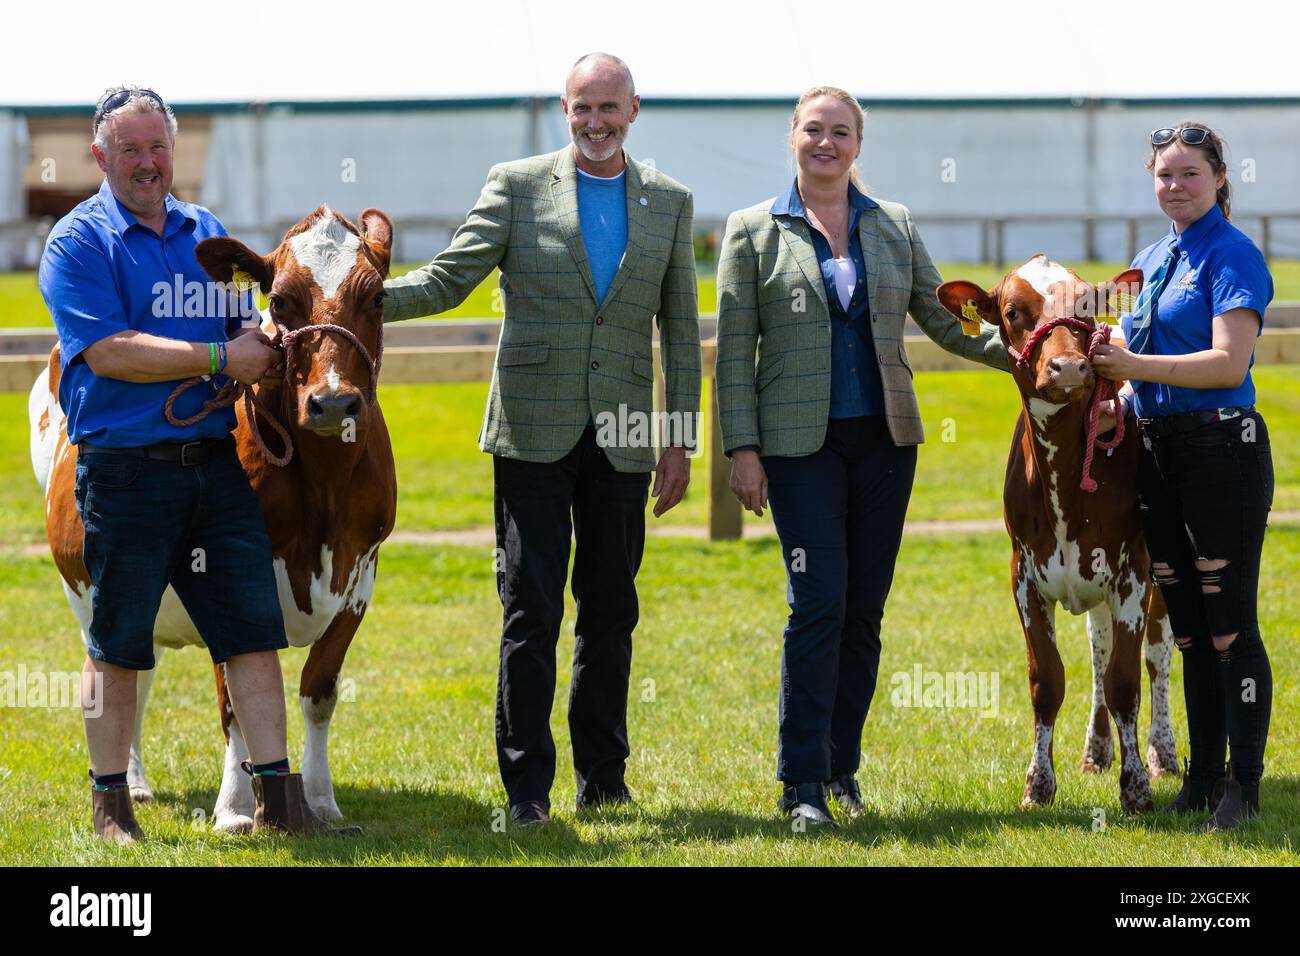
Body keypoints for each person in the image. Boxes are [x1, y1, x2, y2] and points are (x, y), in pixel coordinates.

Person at [383, 53, 701, 826]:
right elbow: (449, 278)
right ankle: (527, 790)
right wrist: (351, 300)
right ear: (565, 110)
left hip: (624, 435)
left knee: (611, 610)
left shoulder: (670, 200)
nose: (595, 123)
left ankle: (604, 779)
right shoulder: (517, 185)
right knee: (530, 610)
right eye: (581, 109)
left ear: (634, 110)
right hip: (531, 430)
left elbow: (682, 328)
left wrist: (680, 436)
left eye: (609, 109)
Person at [39, 85, 341, 842]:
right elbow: (108, 350)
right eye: (131, 149)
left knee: (250, 636)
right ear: (101, 156)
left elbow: (245, 323)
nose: (148, 162)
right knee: (116, 647)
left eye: (158, 147)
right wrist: (217, 356)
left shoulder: (204, 231)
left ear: (176, 152)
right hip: (123, 471)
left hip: (214, 465)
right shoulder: (78, 244)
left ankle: (281, 805)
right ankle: (112, 808)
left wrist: (268, 338)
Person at [715, 87, 1009, 828]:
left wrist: (1026, 357)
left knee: (865, 614)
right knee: (818, 603)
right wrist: (740, 449)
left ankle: (842, 768)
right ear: (793, 138)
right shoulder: (751, 230)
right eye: (814, 130)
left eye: (840, 132)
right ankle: (801, 785)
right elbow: (733, 351)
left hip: (884, 444)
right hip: (796, 447)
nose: (826, 143)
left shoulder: (893, 224)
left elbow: (945, 319)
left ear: (857, 144)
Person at [1093, 122, 1274, 830]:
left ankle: (1245, 787)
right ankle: (1201, 781)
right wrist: (1122, 398)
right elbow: (1140, 354)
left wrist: (1133, 368)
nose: (1176, 185)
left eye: (1190, 174)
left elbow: (1229, 364)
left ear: (1219, 179)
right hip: (1158, 453)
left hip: (1221, 453)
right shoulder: (1153, 256)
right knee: (1191, 634)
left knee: (1229, 628)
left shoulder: (1233, 255)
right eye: (1165, 174)